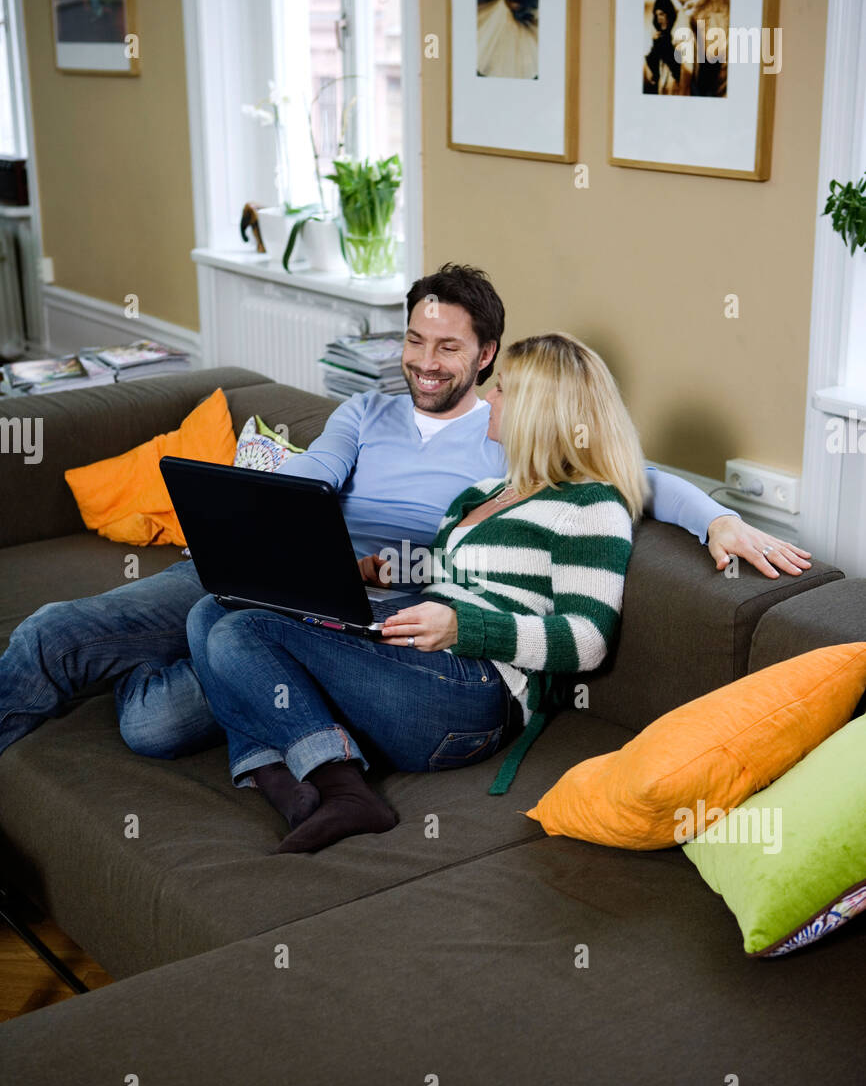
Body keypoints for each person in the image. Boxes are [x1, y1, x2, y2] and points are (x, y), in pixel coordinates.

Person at [0, 265, 810, 759]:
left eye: (447, 347)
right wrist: (260, 524)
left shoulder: (510, 433)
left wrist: (718, 520)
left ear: (486, 353)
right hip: (282, 566)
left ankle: (222, 667)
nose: (424, 362)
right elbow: (304, 491)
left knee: (152, 726)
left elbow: (630, 468)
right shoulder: (364, 414)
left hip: (377, 598)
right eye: (415, 341)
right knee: (50, 631)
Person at [185, 333, 646, 854]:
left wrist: (463, 627)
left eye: (504, 389)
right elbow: (458, 573)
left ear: (543, 410)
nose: (488, 397)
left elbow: (588, 640)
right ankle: (278, 777)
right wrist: (380, 572)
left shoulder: (591, 507)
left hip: (474, 691)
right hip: (413, 657)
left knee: (245, 632)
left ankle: (344, 791)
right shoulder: (485, 494)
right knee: (213, 609)